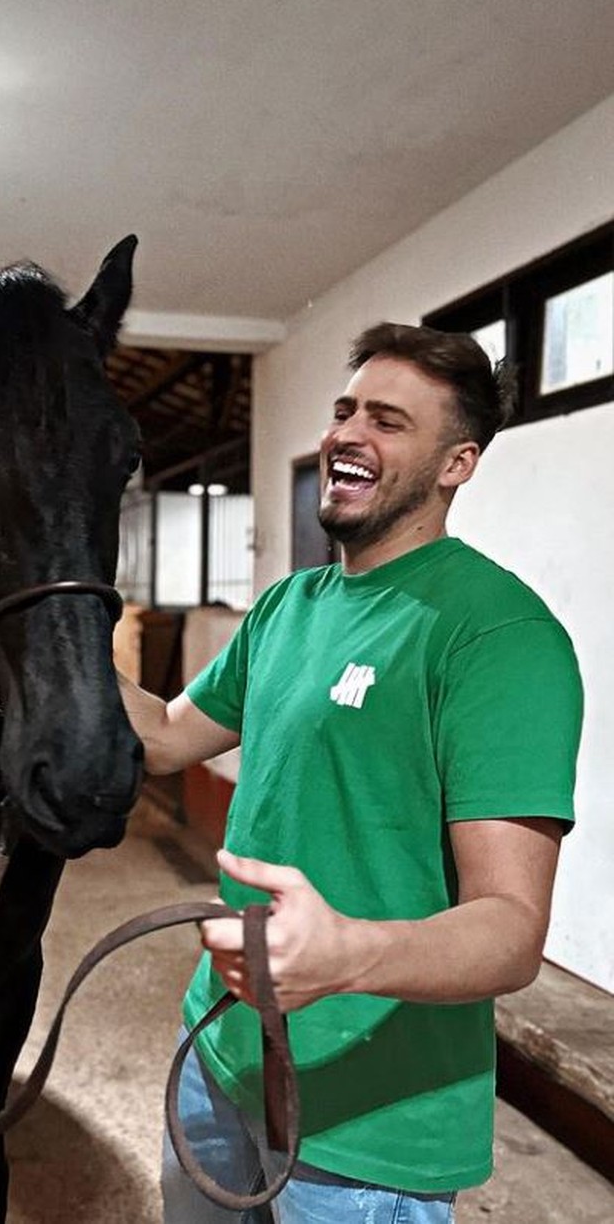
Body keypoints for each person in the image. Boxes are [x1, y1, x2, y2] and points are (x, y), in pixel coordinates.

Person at [118, 322, 583, 1224]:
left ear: (458, 464)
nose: (348, 433)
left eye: (388, 419)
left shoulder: (498, 635)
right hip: (218, 1055)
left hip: (367, 1129)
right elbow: (166, 738)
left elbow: (512, 931)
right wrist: (40, 616)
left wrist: (348, 956)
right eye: (345, 410)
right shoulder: (289, 605)